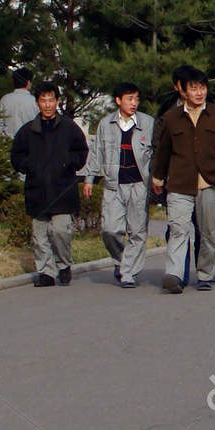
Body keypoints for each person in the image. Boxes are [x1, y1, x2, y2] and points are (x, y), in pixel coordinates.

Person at [151, 66, 215, 294]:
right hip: (180, 183)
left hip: (209, 182)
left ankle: (205, 273)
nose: (199, 92)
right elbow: (162, 151)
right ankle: (175, 274)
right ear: (183, 91)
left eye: (202, 87)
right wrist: (158, 178)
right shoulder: (171, 117)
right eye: (194, 88)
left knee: (208, 231)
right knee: (178, 229)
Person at [9, 80, 89, 287]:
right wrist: (30, 166)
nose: (47, 105)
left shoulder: (69, 128)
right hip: (37, 189)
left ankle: (64, 265)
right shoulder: (28, 131)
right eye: (43, 100)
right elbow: (16, 156)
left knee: (61, 231)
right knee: (40, 235)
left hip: (63, 187)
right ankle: (46, 272)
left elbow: (81, 151)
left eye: (51, 100)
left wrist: (68, 163)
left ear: (57, 102)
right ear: (37, 103)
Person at [83, 82, 156, 288]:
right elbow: (96, 152)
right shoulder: (106, 124)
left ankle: (128, 273)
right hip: (113, 185)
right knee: (110, 230)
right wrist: (89, 179)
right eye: (129, 99)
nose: (134, 103)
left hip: (139, 184)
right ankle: (123, 262)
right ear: (118, 101)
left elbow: (157, 153)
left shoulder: (148, 123)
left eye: (136, 99)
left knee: (137, 231)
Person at [0, 68, 39, 140]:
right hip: (28, 145)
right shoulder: (35, 102)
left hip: (7, 145)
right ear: (28, 82)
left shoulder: (5, 99)